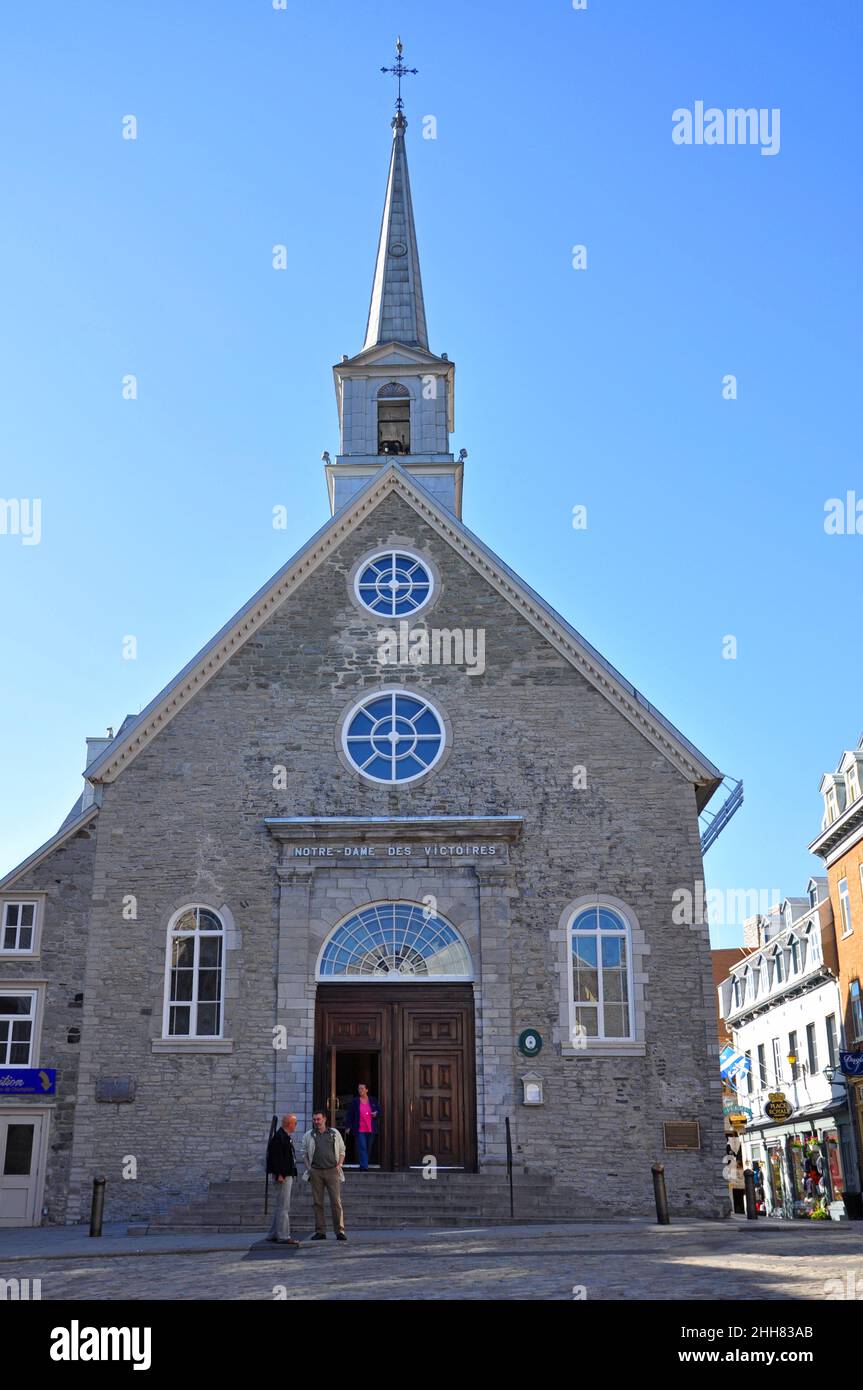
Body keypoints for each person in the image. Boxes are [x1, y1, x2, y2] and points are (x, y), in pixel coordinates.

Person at [302, 1110, 347, 1241]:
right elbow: (304, 1153)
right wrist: (309, 1168)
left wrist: (339, 1165)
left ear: (324, 1119)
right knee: (317, 1203)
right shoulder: (309, 1135)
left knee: (336, 1202)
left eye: (318, 1119)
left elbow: (342, 1150)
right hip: (316, 1172)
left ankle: (340, 1231)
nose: (316, 1122)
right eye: (314, 1120)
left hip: (332, 1171)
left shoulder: (334, 1133)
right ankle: (320, 1231)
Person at [265, 1113, 300, 1246]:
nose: (296, 1125)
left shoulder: (283, 1136)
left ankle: (273, 1233)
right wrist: (280, 1174)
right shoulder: (280, 1137)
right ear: (289, 1124)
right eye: (295, 1123)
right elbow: (276, 1158)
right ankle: (283, 1236)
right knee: (284, 1207)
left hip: (285, 1174)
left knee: (280, 1206)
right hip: (283, 1176)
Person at [344, 1083, 380, 1171]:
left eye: (362, 1088)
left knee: (368, 1147)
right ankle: (364, 1166)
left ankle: (364, 1162)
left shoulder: (373, 1100)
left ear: (367, 1090)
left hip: (370, 1128)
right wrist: (348, 1126)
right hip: (360, 1128)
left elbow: (379, 1110)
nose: (360, 1090)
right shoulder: (355, 1101)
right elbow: (350, 1114)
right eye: (359, 1089)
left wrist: (376, 1113)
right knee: (362, 1146)